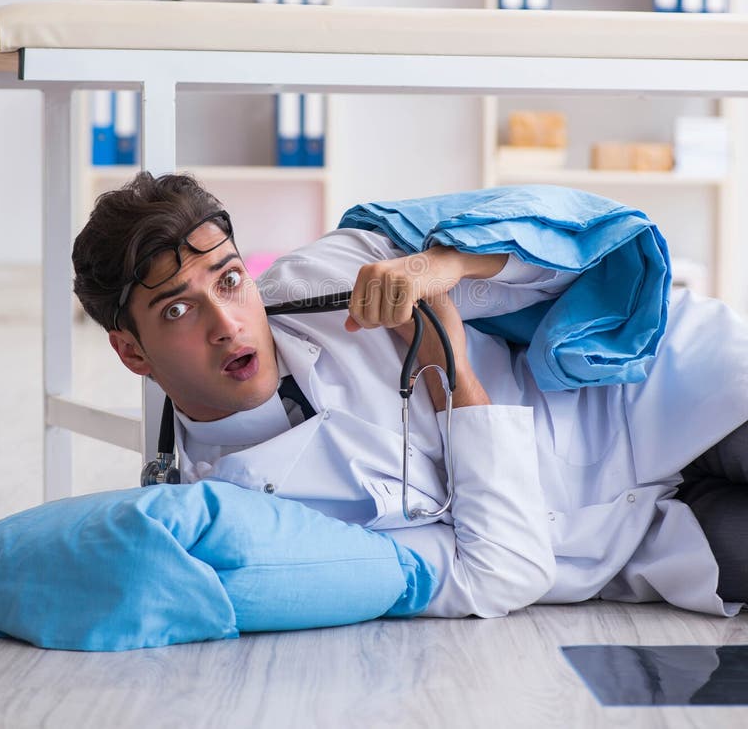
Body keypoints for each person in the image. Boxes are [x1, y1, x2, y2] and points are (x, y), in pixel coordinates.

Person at [72, 171, 748, 619]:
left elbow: (577, 239)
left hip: (649, 391)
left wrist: (444, 266)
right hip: (637, 545)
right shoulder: (245, 524)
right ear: (133, 353)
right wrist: (446, 358)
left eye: (227, 281)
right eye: (178, 313)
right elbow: (505, 572)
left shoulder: (326, 275)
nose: (228, 325)